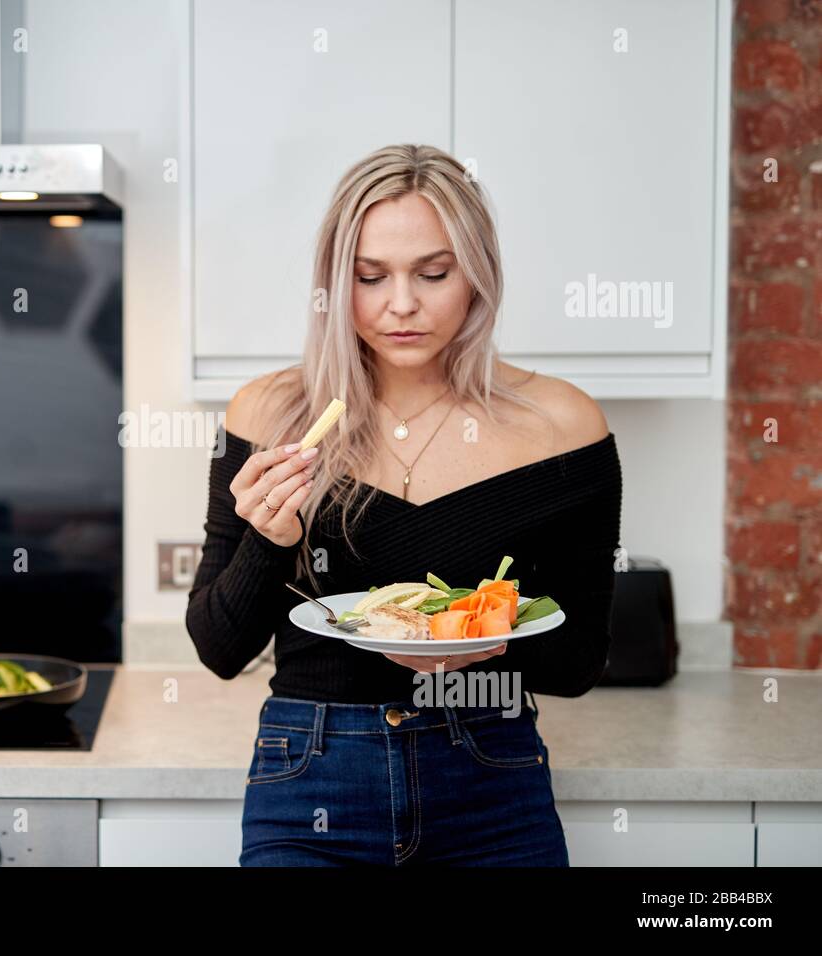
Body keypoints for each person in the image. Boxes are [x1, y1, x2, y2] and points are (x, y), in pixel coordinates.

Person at [185, 144, 623, 866]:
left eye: (434, 273)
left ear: (478, 274)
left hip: (491, 775)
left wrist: (491, 645)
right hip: (310, 776)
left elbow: (579, 664)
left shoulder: (562, 424)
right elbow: (218, 649)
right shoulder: (271, 414)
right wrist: (271, 538)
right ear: (334, 283)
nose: (402, 304)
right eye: (369, 276)